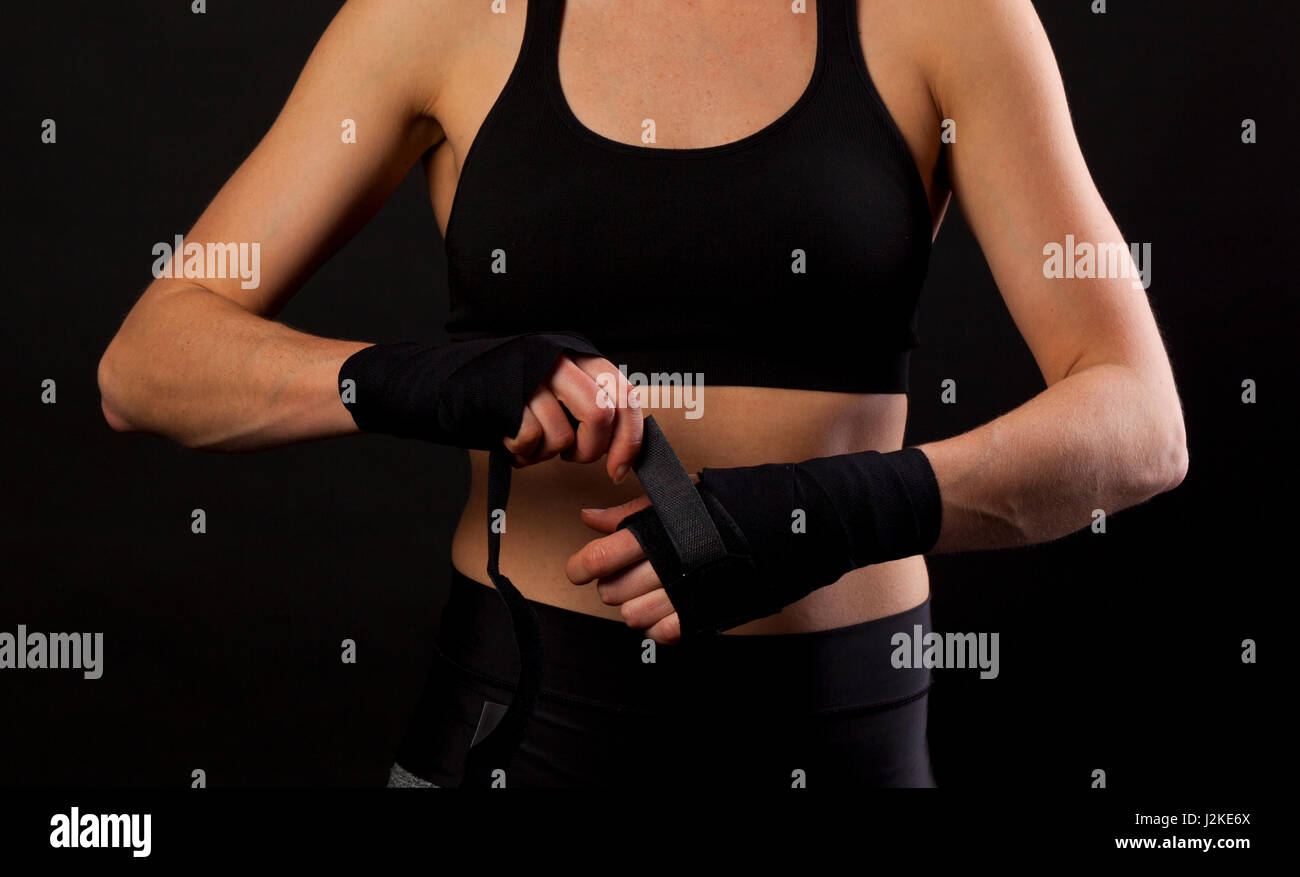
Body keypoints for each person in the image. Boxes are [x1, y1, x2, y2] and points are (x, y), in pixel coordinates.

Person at [97, 0, 1188, 788]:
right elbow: (145, 364)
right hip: (523, 724)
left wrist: (820, 512)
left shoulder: (947, 17)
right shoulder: (437, 17)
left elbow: (1138, 422)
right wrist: (416, 379)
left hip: (840, 730)